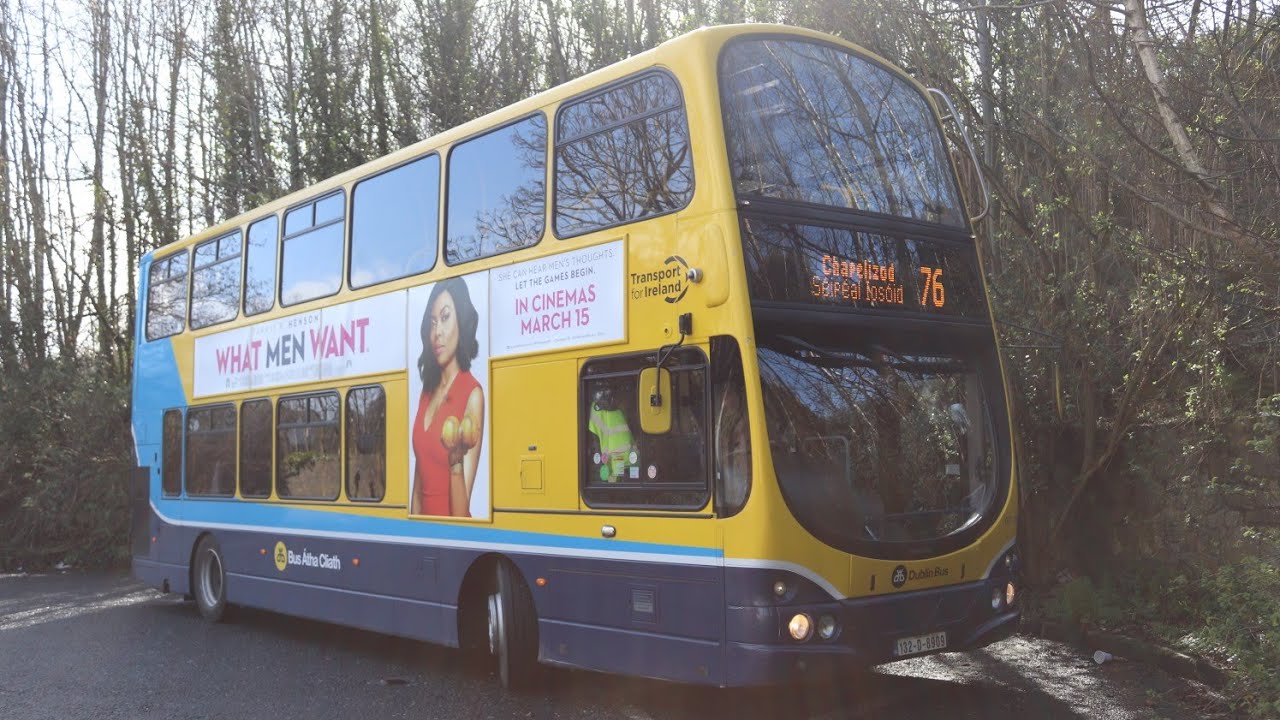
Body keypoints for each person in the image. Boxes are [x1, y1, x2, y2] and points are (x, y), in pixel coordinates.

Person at [412, 278, 485, 517]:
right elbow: (418, 487)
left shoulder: (472, 394)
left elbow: (461, 513)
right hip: (423, 535)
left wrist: (456, 463)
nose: (437, 333)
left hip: (451, 536)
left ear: (461, 321)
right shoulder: (427, 391)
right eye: (432, 323)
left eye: (445, 318)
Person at [587, 385, 635, 483]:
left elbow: (594, 446)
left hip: (613, 468)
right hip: (627, 464)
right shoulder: (619, 412)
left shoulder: (593, 412)